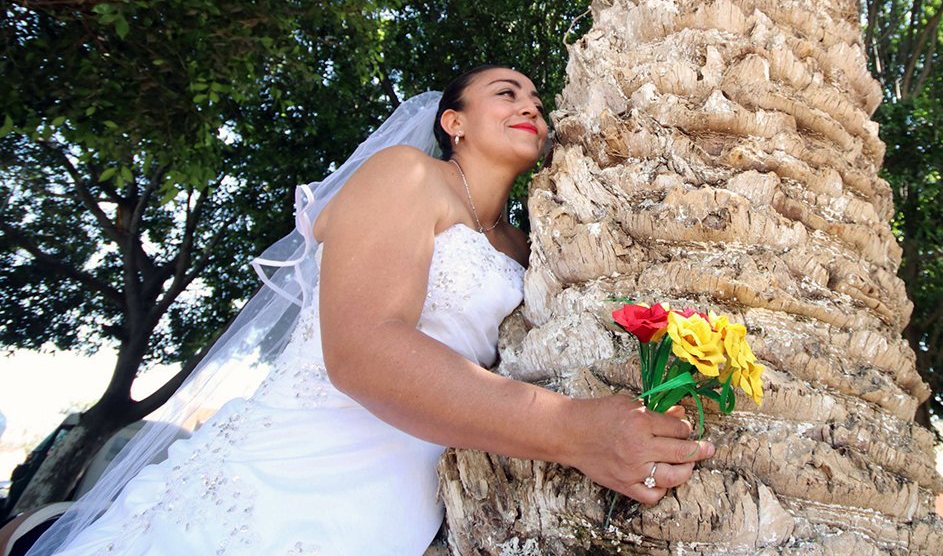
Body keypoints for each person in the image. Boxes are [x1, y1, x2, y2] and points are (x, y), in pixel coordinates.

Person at [29, 66, 711, 555]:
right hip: (286, 481)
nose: (529, 103)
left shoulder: (528, 245)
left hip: (401, 513)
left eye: (536, 96)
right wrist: (573, 432)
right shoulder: (406, 175)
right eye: (506, 93)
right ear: (454, 122)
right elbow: (360, 350)